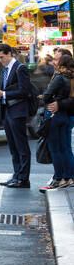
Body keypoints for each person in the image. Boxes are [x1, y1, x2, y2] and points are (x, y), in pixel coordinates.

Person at [0, 44, 35, 188]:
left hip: (17, 111)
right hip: (8, 110)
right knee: (13, 147)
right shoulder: (6, 69)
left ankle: (23, 179)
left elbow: (25, 91)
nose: (0, 60)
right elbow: (8, 89)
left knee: (21, 146)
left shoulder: (20, 68)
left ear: (9, 53)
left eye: (2, 57)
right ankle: (16, 175)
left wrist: (3, 94)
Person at [41, 52, 74, 190]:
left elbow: (47, 95)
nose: (53, 62)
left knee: (55, 149)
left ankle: (58, 178)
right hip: (65, 115)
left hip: (55, 115)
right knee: (64, 148)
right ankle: (68, 177)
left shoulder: (59, 77)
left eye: (56, 60)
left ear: (61, 63)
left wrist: (49, 99)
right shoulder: (70, 77)